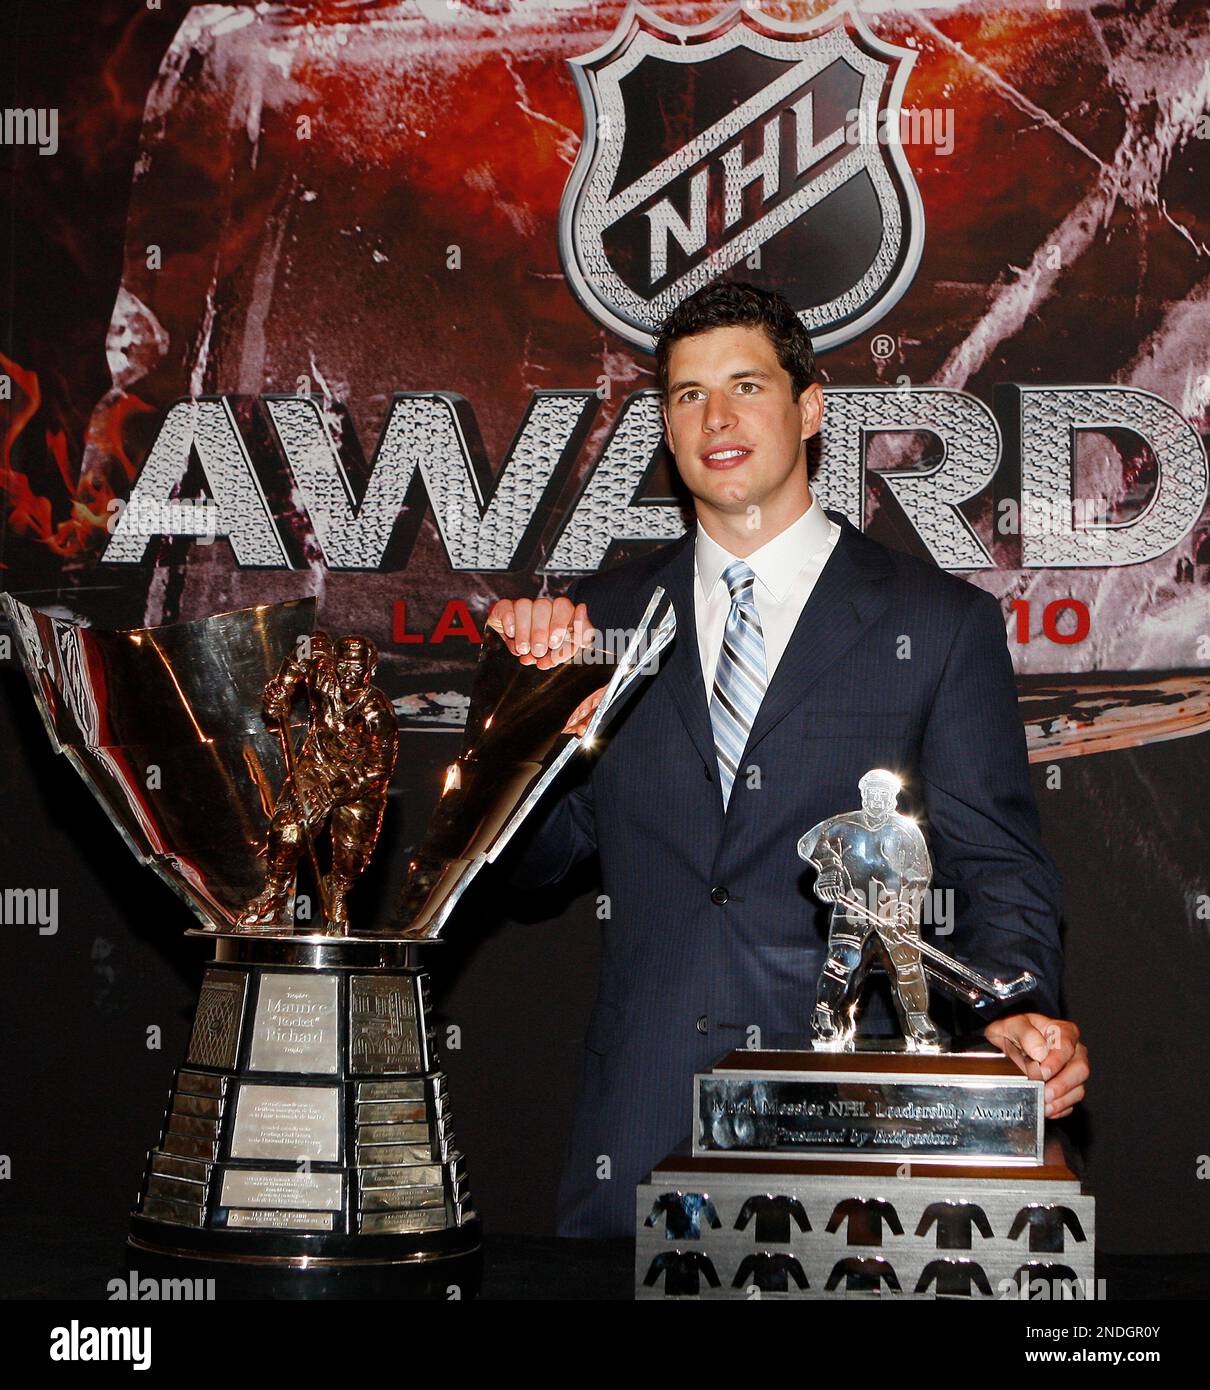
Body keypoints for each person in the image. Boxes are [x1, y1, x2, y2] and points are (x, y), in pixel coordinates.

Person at [489, 280, 1089, 1237]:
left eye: (746, 386)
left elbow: (1000, 867)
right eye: (687, 395)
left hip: (851, 1132)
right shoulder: (598, 625)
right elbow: (528, 870)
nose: (716, 418)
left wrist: (1016, 1004)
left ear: (810, 408)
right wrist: (524, 710)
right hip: (639, 1126)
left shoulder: (935, 625)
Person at [240, 634, 397, 933]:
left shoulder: (377, 712)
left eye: (358, 667)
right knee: (288, 830)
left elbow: (379, 768)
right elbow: (307, 647)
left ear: (371, 670)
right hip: (318, 766)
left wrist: (332, 792)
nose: (350, 674)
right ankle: (274, 893)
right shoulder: (323, 677)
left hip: (358, 783)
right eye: (344, 666)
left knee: (353, 856)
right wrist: (282, 689)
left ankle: (337, 890)